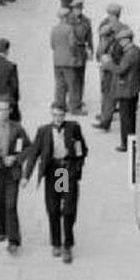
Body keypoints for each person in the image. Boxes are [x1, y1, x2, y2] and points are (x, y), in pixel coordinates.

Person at [25, 103, 88, 262]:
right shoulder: (43, 131)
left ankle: (67, 245)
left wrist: (76, 165)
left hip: (65, 171)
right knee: (53, 210)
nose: (58, 118)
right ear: (51, 115)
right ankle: (56, 243)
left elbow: (82, 150)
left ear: (65, 115)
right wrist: (27, 176)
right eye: (55, 115)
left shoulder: (73, 128)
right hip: (53, 172)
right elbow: (33, 154)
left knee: (68, 210)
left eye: (60, 115)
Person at [0, 97, 31, 252]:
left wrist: (15, 158)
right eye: (0, 109)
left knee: (11, 206)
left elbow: (28, 147)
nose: (3, 113)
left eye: (6, 109)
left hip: (11, 173)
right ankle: (2, 230)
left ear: (10, 111)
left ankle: (14, 240)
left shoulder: (17, 128)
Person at [96, 26, 140, 149]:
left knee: (126, 118)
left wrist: (108, 64)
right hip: (131, 88)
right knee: (129, 117)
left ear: (128, 40)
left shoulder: (130, 54)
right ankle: (129, 142)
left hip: (126, 89)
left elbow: (121, 70)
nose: (121, 43)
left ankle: (125, 143)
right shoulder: (135, 51)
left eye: (122, 40)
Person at [50, 9, 77, 113]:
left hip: (57, 60)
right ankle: (73, 107)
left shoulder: (54, 29)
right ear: (65, 17)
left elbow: (52, 45)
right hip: (68, 60)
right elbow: (72, 44)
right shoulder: (69, 29)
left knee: (59, 84)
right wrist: (74, 55)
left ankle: (60, 105)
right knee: (71, 84)